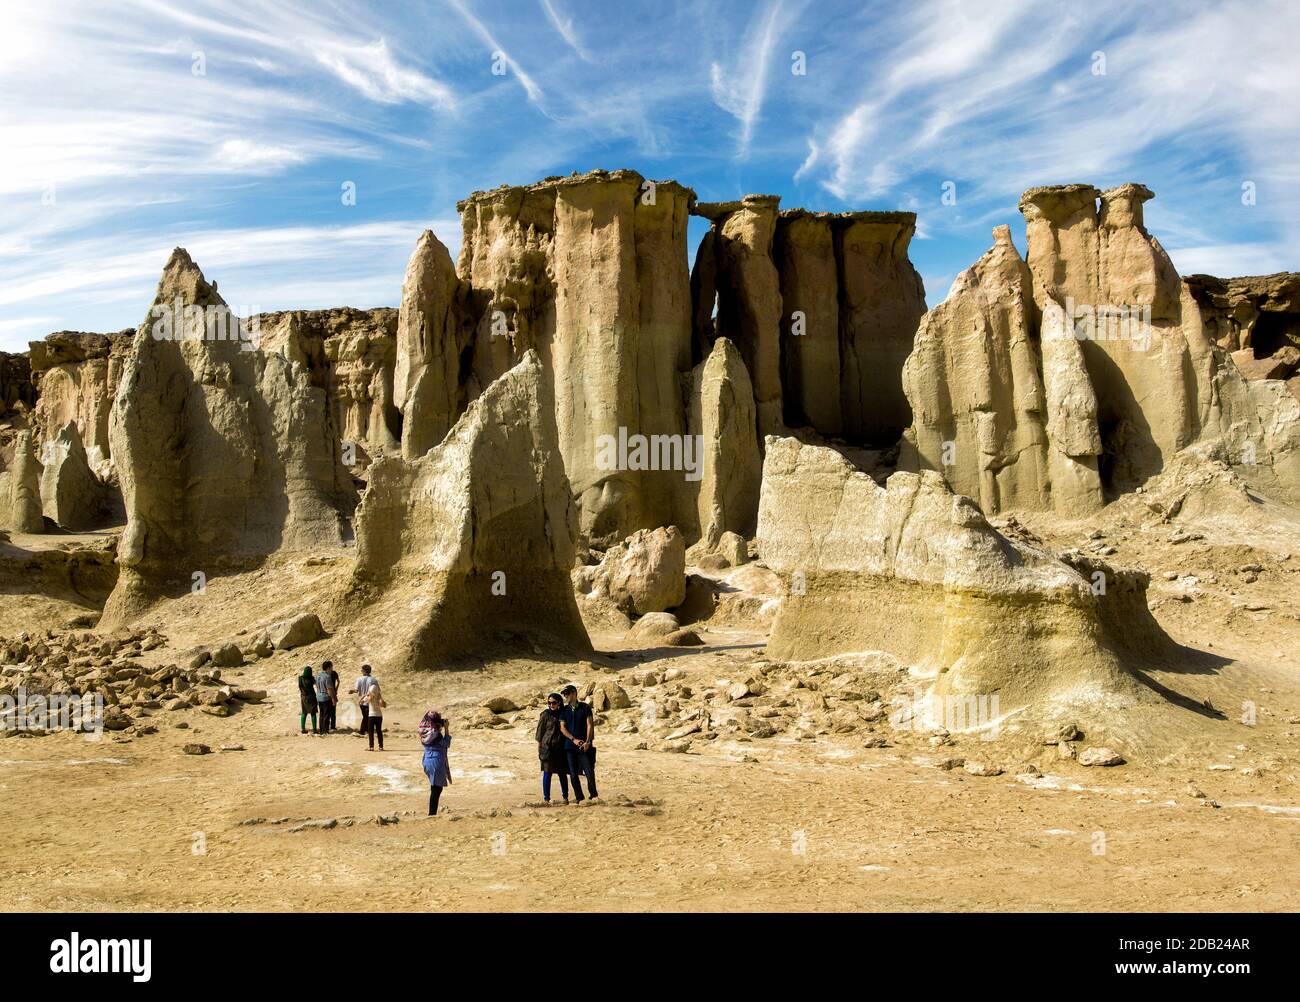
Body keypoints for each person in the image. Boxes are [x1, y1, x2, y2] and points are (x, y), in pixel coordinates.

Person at [559, 684, 598, 801]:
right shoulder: (564, 710)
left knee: (589, 771)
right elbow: (562, 728)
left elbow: (590, 724)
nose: (565, 696)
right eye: (564, 694)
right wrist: (573, 739)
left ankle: (593, 795)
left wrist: (588, 742)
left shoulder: (585, 707)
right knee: (573, 773)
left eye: (567, 694)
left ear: (574, 693)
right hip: (570, 746)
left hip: (584, 746)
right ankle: (579, 797)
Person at [535, 693, 571, 805]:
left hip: (560, 749)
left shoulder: (563, 714)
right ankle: (546, 799)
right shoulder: (545, 715)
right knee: (547, 773)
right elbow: (539, 734)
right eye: (549, 702)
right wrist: (540, 751)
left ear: (559, 702)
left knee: (562, 773)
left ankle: (565, 797)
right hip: (547, 748)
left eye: (554, 702)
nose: (551, 705)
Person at [419, 710, 452, 815]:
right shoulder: (436, 735)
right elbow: (446, 743)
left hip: (427, 760)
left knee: (435, 788)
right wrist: (446, 728)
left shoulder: (425, 732)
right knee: (436, 789)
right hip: (436, 761)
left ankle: (432, 813)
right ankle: (431, 814)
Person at [363, 676, 386, 751]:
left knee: (371, 731)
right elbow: (384, 705)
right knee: (379, 731)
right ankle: (381, 746)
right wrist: (380, 697)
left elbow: (362, 702)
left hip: (371, 715)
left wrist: (368, 695)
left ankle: (371, 746)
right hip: (379, 716)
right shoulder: (378, 697)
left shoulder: (370, 697)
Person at [355, 664, 377, 738]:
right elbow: (377, 690)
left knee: (365, 716)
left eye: (362, 670)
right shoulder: (373, 679)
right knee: (367, 716)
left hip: (361, 700)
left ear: (364, 671)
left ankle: (363, 730)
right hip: (370, 700)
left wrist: (352, 691)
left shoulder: (359, 679)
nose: (361, 671)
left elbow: (356, 690)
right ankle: (365, 730)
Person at [314, 664, 336, 734]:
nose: (332, 669)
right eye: (331, 667)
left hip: (319, 696)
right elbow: (329, 689)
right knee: (326, 714)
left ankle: (321, 729)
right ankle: (325, 730)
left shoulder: (318, 675)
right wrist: (333, 699)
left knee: (321, 714)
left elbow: (317, 686)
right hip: (326, 697)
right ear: (328, 668)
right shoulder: (327, 677)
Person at [297, 665, 319, 735]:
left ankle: (303, 729)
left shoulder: (300, 678)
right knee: (313, 713)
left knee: (304, 712)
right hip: (311, 696)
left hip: (304, 697)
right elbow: (316, 684)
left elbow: (300, 687)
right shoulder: (311, 678)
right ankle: (314, 729)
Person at [324, 660, 341, 732]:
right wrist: (336, 689)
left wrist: (336, 689)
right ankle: (332, 726)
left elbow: (338, 681)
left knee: (328, 710)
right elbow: (338, 681)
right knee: (332, 710)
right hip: (333, 693)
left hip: (328, 693)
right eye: (331, 666)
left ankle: (329, 726)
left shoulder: (325, 674)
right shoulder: (332, 673)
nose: (332, 667)